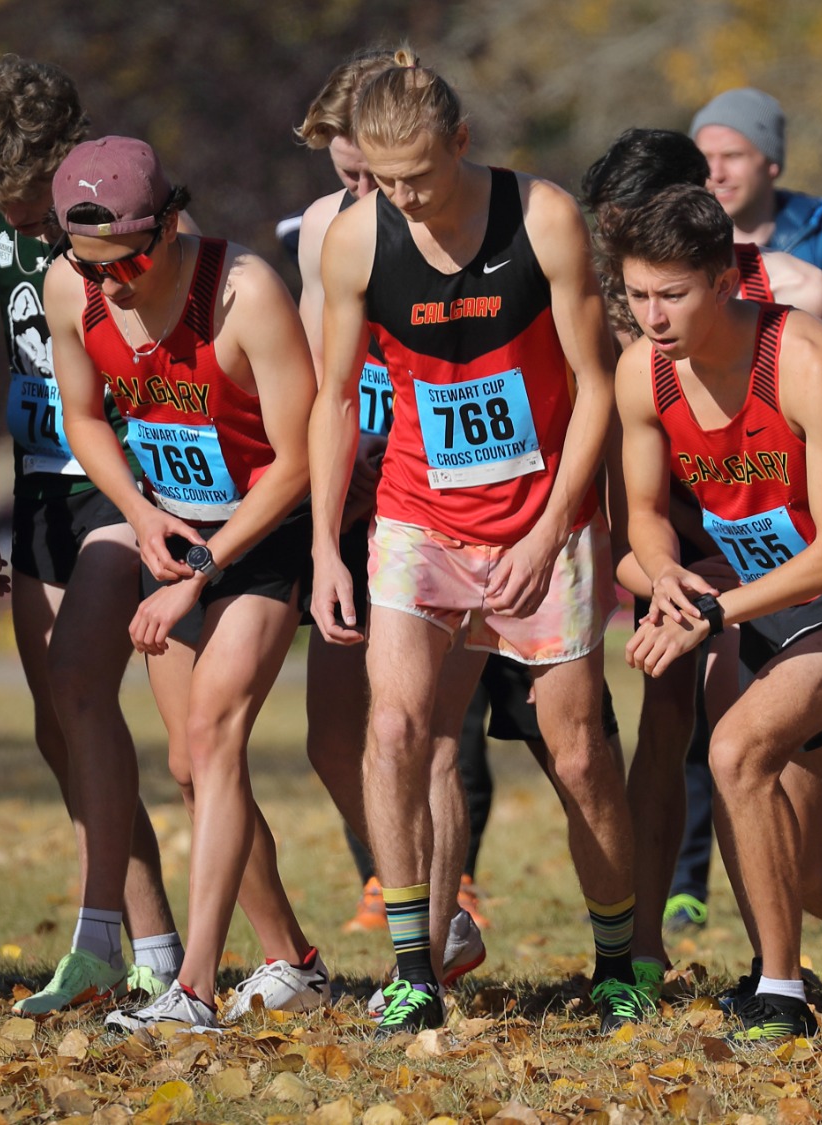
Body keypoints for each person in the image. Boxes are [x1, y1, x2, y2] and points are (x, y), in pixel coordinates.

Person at [311, 49, 640, 1033]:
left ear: (460, 142)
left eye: (419, 174)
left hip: (546, 510)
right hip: (420, 512)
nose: (403, 198)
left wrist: (550, 529)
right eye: (382, 177)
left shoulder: (538, 218)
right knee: (396, 730)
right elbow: (332, 399)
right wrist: (328, 544)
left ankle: (619, 961)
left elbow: (595, 389)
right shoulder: (354, 241)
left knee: (578, 754)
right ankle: (414, 964)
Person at [609, 184, 822, 1041]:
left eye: (672, 294)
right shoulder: (641, 371)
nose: (652, 315)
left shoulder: (800, 357)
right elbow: (644, 517)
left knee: (739, 751)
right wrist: (665, 579)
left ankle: (781, 991)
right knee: (781, 845)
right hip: (763, 599)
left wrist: (713, 612)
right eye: (638, 294)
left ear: (726, 280)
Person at [42, 136, 325, 1031]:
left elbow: (298, 461)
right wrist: (138, 509)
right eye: (94, 266)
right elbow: (84, 416)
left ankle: (193, 987)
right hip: (173, 531)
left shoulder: (245, 295)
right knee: (192, 769)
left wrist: (202, 570)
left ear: (168, 223)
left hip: (260, 537)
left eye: (129, 261)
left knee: (212, 736)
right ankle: (298, 962)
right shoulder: (70, 289)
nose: (113, 285)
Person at [0, 55, 187, 1016]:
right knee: (61, 725)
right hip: (38, 475)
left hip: (126, 481)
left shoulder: (125, 207)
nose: (28, 224)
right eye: (11, 206)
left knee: (98, 699)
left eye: (35, 203)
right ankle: (150, 941)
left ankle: (116, 943)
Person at [288, 46, 493, 971]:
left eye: (388, 173)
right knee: (342, 731)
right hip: (355, 488)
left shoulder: (468, 218)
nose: (381, 192)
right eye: (353, 174)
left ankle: (444, 912)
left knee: (435, 728)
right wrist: (331, 478)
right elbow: (314, 373)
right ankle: (391, 869)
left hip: (449, 491)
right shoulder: (329, 232)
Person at [691, 88, 822, 310]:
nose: (716, 174)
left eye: (732, 156)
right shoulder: (679, 243)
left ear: (772, 163)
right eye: (704, 158)